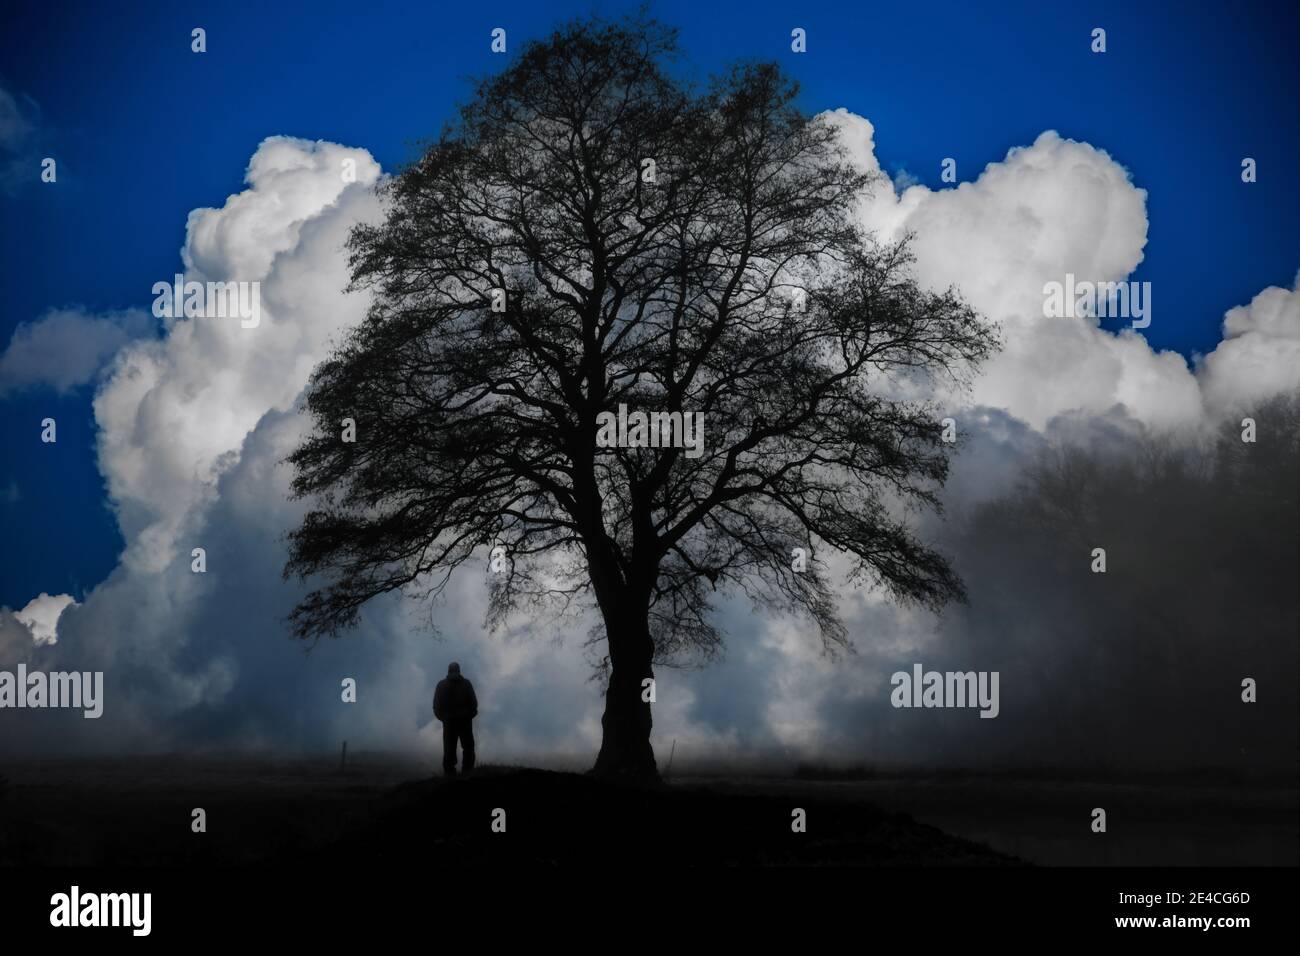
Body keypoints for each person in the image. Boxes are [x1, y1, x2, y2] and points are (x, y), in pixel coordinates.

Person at [433, 662, 477, 777]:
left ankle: (450, 775)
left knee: (449, 749)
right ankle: (467, 772)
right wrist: (469, 716)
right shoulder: (466, 684)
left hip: (450, 723)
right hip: (463, 722)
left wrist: (443, 719)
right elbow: (474, 704)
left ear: (448, 671)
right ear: (459, 670)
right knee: (467, 748)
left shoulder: (441, 685)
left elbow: (436, 707)